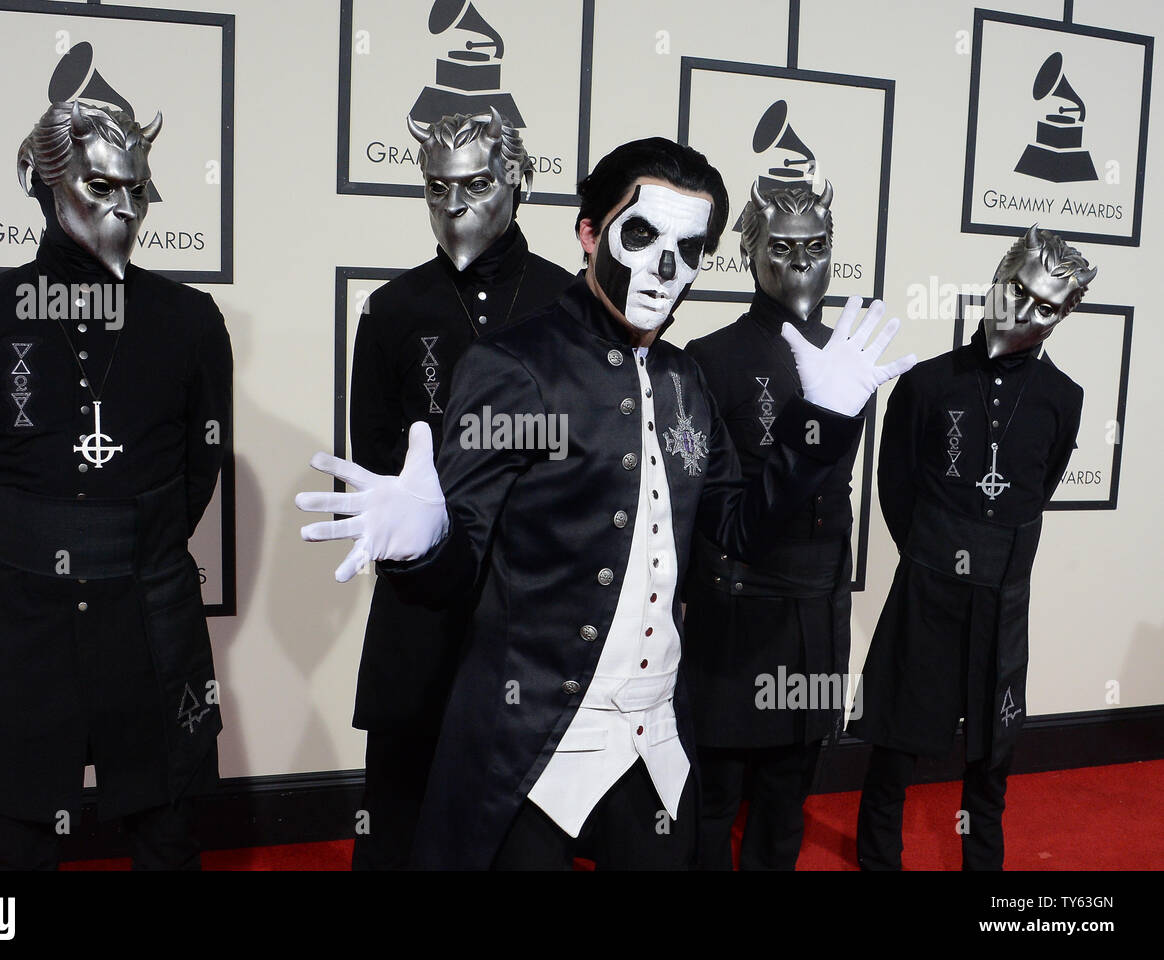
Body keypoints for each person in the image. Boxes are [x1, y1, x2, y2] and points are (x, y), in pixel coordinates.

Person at [297, 137, 913, 870]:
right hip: (529, 743)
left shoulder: (687, 380)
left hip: (655, 742)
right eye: (641, 233)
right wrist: (423, 543)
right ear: (590, 233)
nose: (663, 267)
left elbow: (738, 528)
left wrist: (821, 426)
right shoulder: (513, 368)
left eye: (687, 250)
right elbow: (456, 576)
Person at [0, 100, 231, 870]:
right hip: (26, 612)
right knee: (18, 839)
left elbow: (201, 465)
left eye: (139, 189)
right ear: (44, 183)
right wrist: (42, 541)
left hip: (153, 599)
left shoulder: (190, 320)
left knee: (167, 831)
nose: (125, 208)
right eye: (100, 186)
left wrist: (133, 542)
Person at [348, 109, 572, 869]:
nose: (454, 204)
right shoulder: (392, 308)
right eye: (436, 187)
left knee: (524, 827)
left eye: (475, 183)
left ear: (520, 180)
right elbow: (377, 454)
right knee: (401, 816)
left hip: (535, 605)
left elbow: (592, 452)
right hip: (420, 608)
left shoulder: (570, 305)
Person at [850, 225, 1091, 870]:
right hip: (927, 588)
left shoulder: (1064, 400)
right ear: (998, 279)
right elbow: (895, 487)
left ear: (1063, 317)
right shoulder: (926, 385)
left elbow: (1038, 488)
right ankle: (877, 859)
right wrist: (936, 552)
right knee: (895, 741)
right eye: (1019, 289)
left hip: (1004, 595)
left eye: (1048, 305)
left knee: (993, 752)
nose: (1025, 309)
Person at [683, 181, 861, 870]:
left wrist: (837, 645)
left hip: (815, 613)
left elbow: (839, 506)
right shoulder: (710, 356)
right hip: (733, 616)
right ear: (751, 252)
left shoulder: (851, 357)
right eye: (781, 248)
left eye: (815, 249)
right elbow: (701, 507)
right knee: (712, 798)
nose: (799, 265)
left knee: (789, 803)